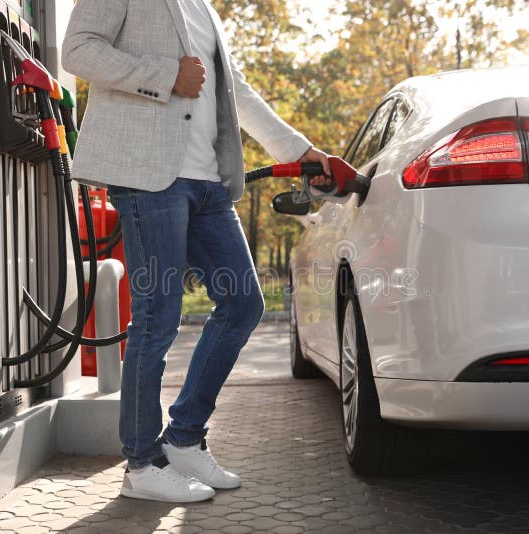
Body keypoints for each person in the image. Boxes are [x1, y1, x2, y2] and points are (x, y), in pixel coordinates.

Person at [62, 0, 332, 503]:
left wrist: (299, 150)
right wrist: (165, 75)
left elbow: (236, 93)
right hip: (148, 178)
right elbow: (78, 50)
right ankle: (141, 465)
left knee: (244, 303)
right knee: (156, 316)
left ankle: (184, 437)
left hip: (208, 182)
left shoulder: (204, 8)